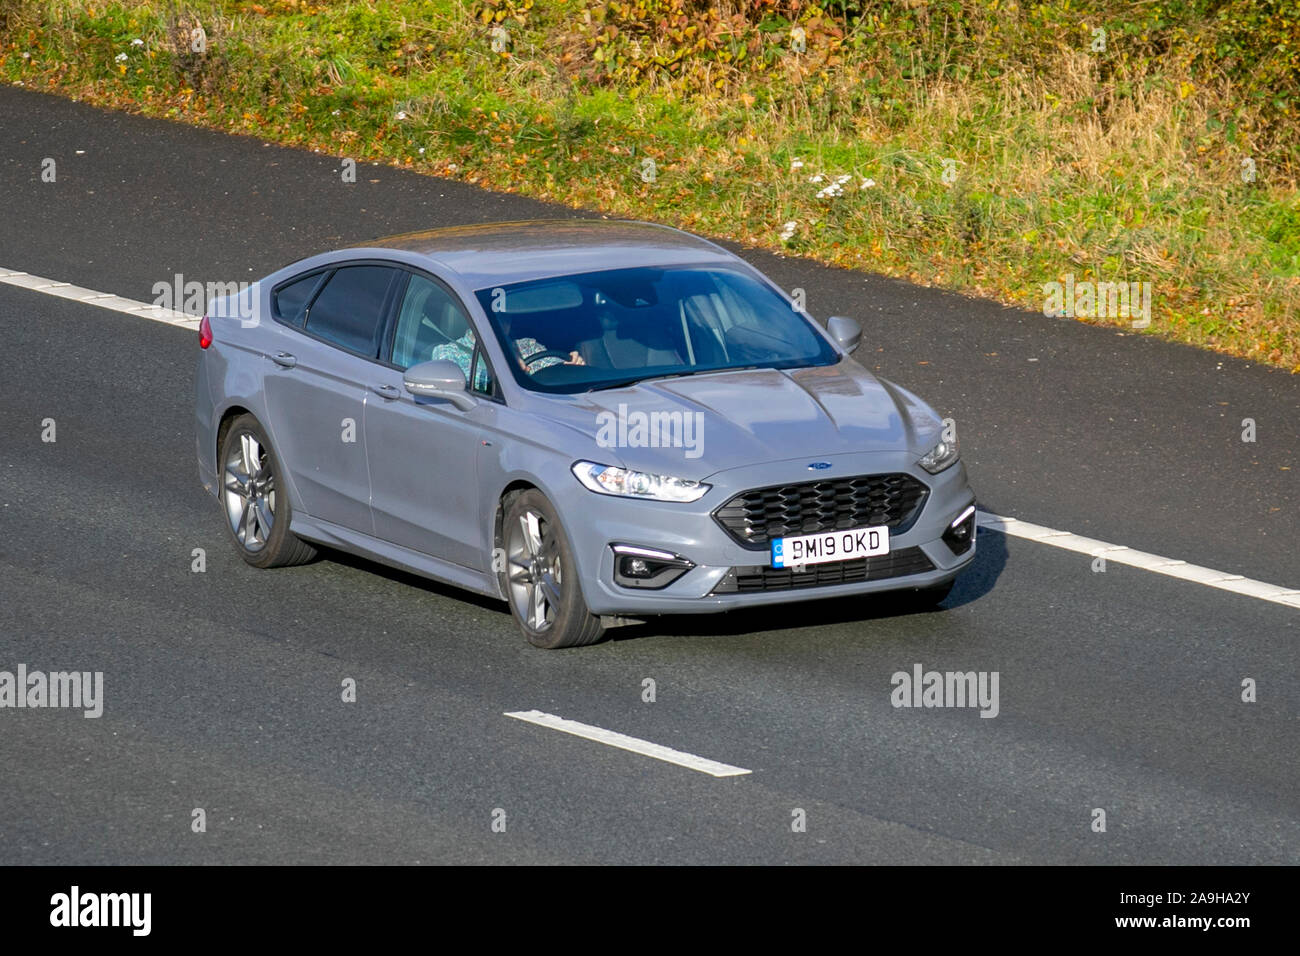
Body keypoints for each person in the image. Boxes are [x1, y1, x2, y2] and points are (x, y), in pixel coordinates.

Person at [429, 326, 583, 378]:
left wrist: (568, 367)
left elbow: (551, 367)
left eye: (503, 317)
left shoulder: (528, 345)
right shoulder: (448, 353)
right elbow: (471, 388)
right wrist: (508, 368)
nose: (500, 323)